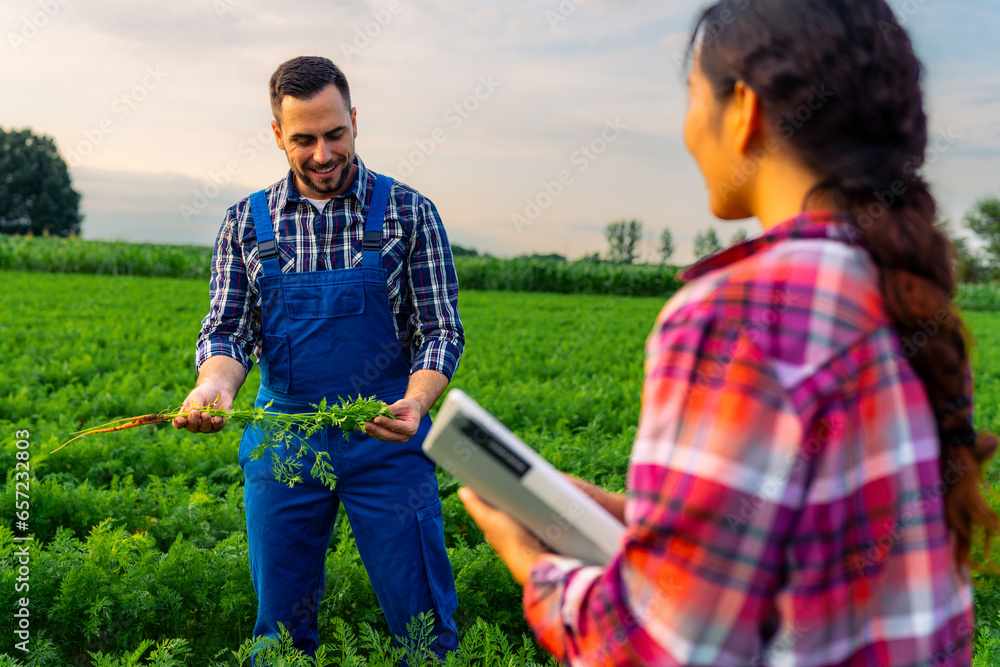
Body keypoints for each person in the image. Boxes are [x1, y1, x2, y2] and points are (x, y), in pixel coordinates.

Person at [460, 0, 999, 664]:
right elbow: (827, 548)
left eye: (692, 96)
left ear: (742, 110)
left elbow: (655, 647)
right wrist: (634, 519)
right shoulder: (908, 293)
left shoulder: (736, 312)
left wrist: (531, 563)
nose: (687, 128)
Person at [172, 56, 463, 661]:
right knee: (280, 632)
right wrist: (215, 389)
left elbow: (439, 331)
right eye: (303, 139)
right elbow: (228, 333)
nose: (323, 154)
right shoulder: (246, 224)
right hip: (285, 438)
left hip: (387, 434)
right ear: (278, 135)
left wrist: (415, 401)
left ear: (354, 121)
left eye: (335, 134)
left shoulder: (410, 213)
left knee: (423, 626)